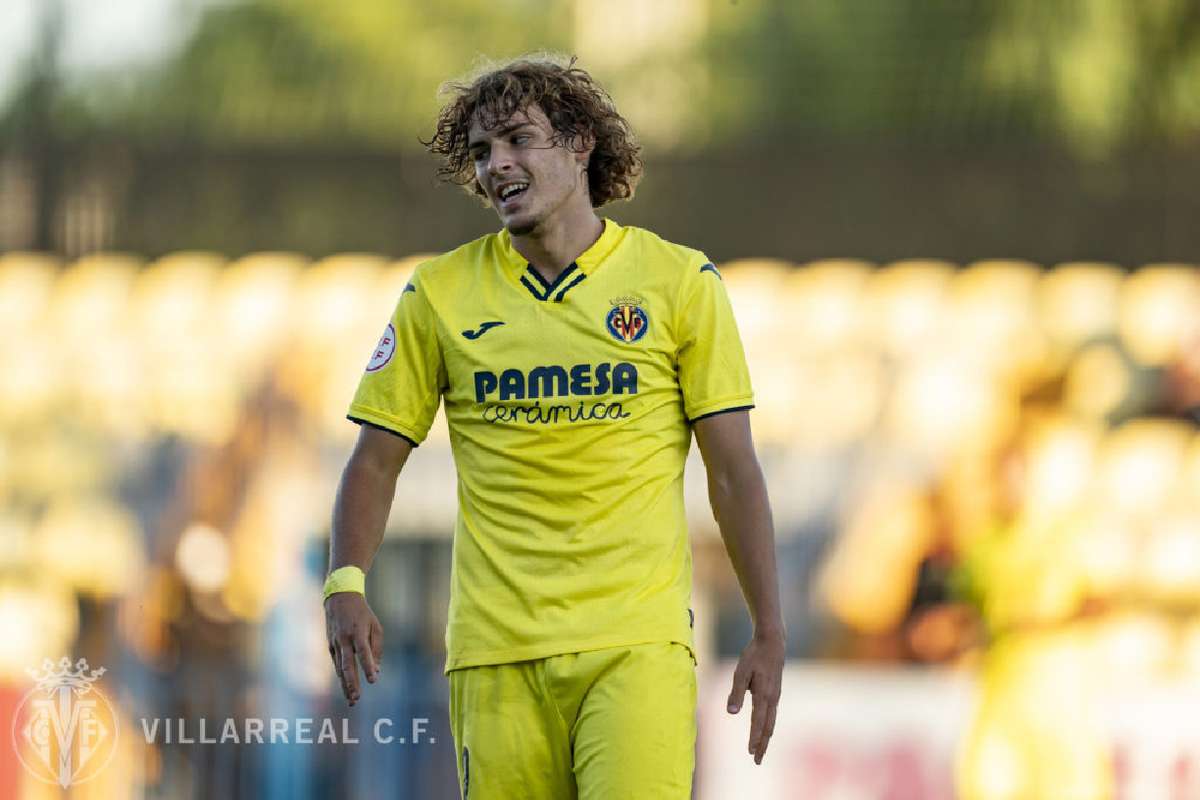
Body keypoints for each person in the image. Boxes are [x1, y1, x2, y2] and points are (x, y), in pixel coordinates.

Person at [323, 54, 784, 799]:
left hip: (634, 646)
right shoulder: (438, 294)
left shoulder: (678, 283)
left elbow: (732, 470)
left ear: (580, 144)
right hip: (494, 653)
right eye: (480, 153)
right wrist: (345, 580)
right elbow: (373, 460)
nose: (496, 165)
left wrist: (768, 626)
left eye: (516, 140)